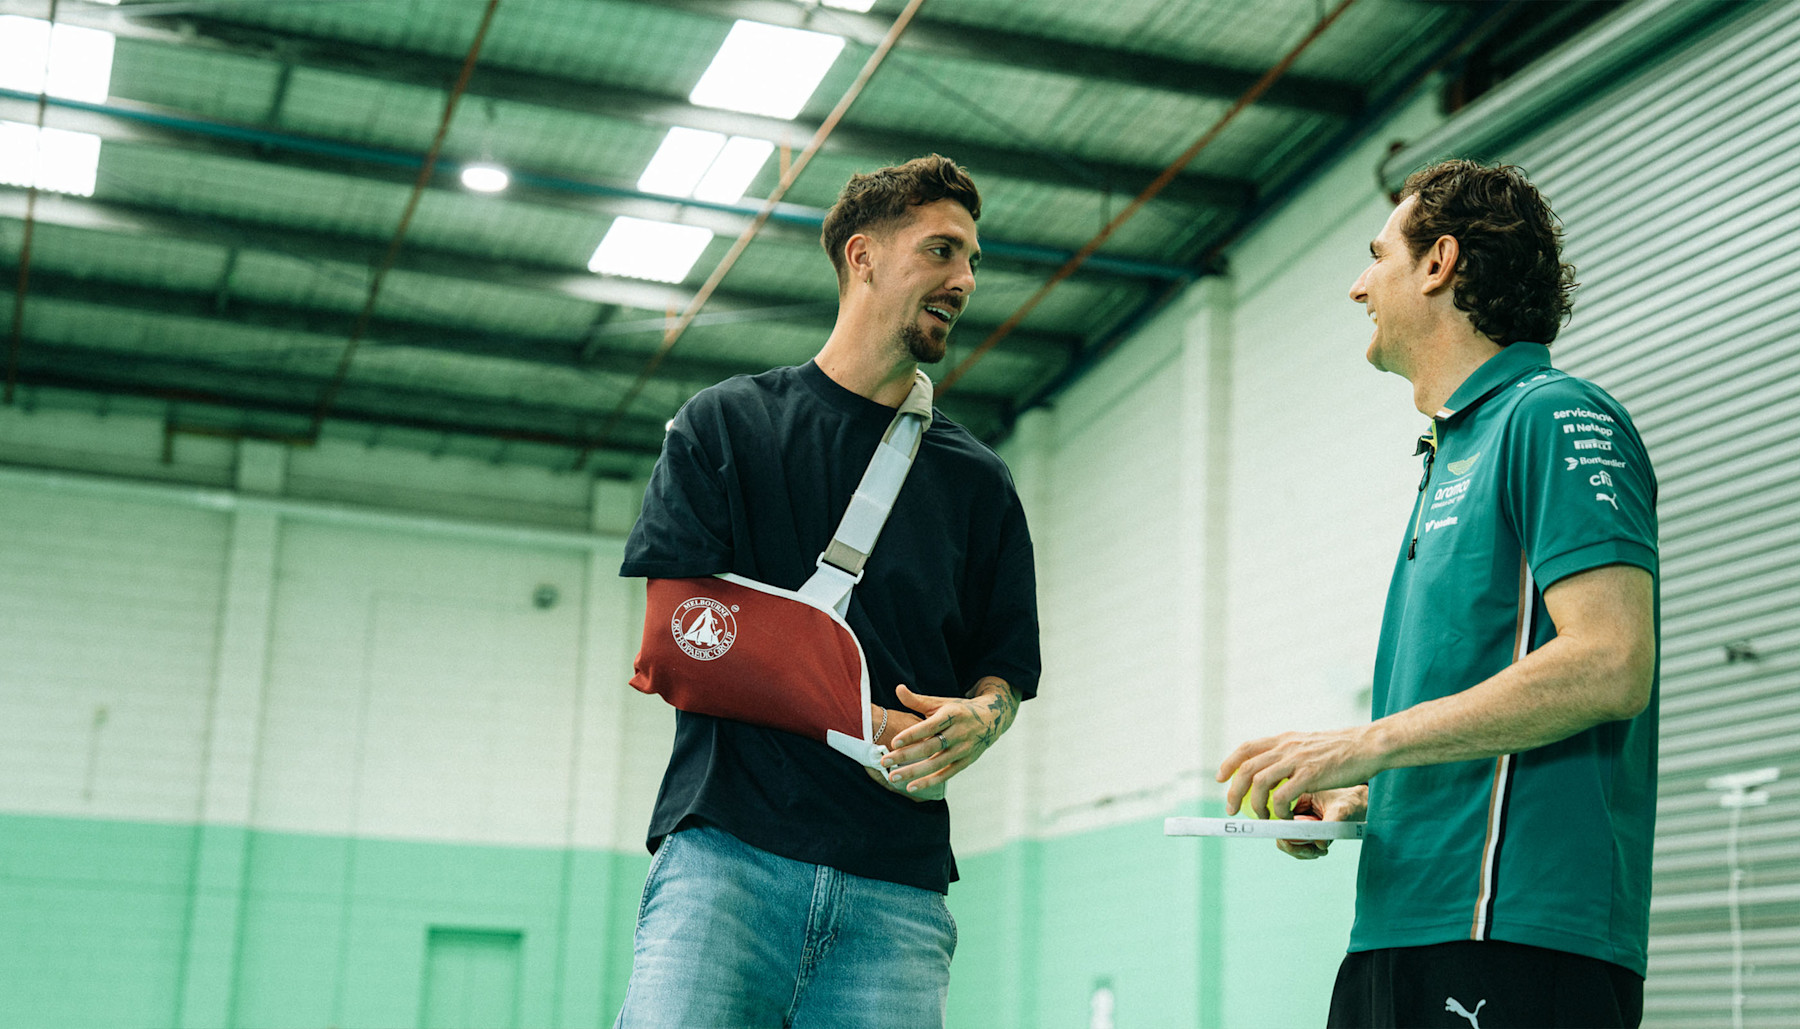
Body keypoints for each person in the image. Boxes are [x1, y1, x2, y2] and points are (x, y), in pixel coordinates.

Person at [1217, 160, 1659, 1028]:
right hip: (1398, 930)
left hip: (1513, 936)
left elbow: (1610, 661)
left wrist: (1361, 744)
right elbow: (1484, 723)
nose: (1357, 286)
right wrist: (1366, 795)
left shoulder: (1554, 414)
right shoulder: (1449, 454)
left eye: (1376, 254)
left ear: (1438, 263)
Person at [614, 154, 1040, 1028]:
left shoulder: (980, 484)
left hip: (898, 893)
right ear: (863, 257)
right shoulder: (725, 425)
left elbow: (1002, 667)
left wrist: (981, 719)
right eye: (942, 251)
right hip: (725, 861)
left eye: (973, 261)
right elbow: (677, 640)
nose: (964, 279)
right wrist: (867, 718)